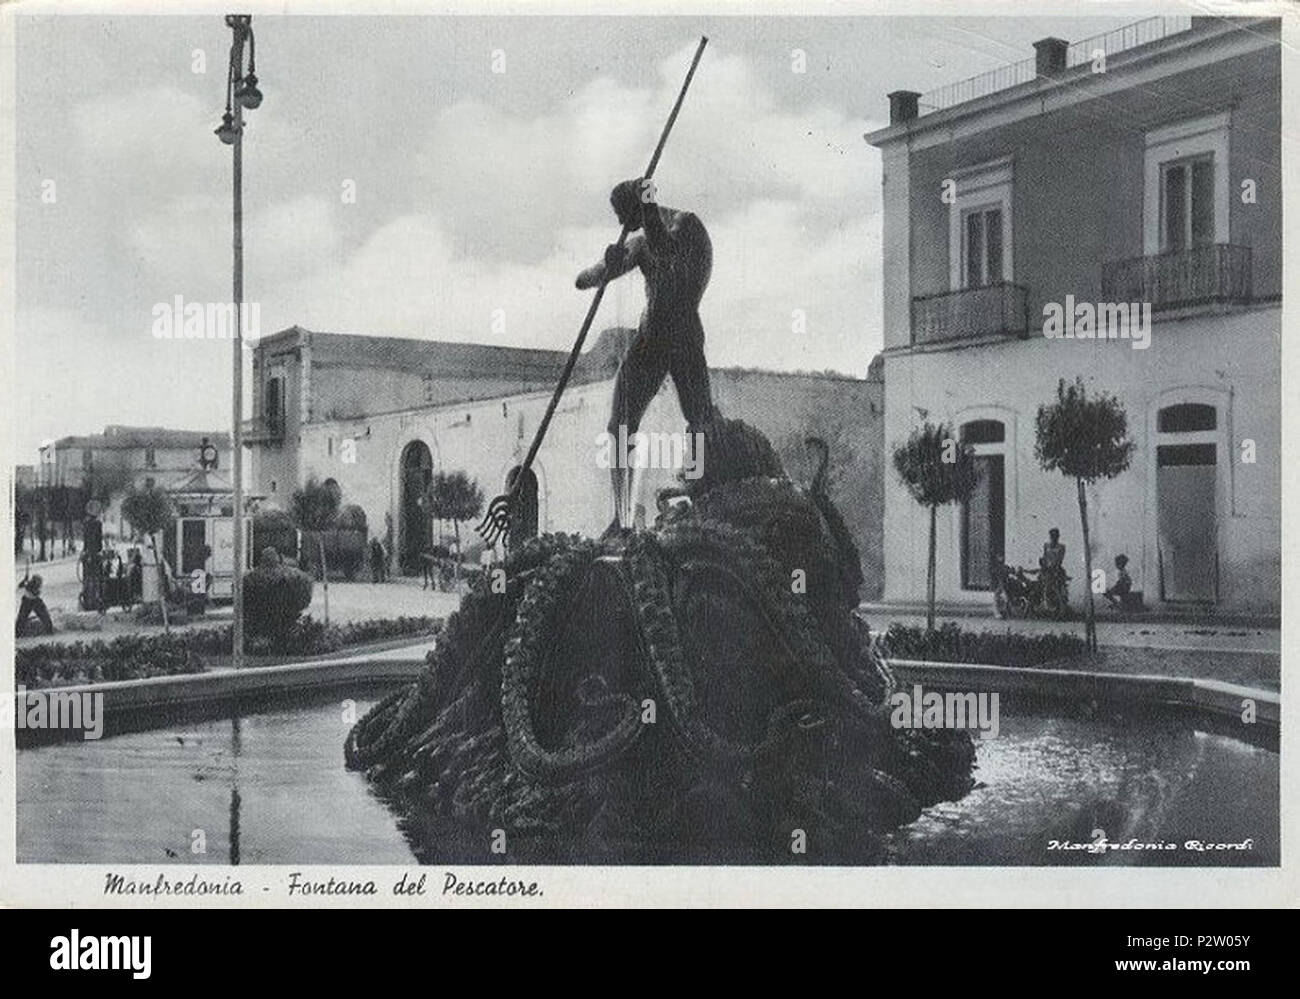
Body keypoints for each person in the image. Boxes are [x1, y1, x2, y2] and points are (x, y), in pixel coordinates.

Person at [577, 178, 715, 534]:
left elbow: (667, 250)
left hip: (683, 335)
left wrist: (649, 205)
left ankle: (703, 497)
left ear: (641, 208)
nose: (627, 227)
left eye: (629, 218)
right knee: (619, 425)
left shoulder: (687, 226)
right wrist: (607, 265)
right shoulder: (639, 242)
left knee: (700, 421)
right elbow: (586, 280)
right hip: (649, 340)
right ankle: (622, 515)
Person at [1039, 528, 1068, 609]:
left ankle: (1050, 602)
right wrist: (1043, 563)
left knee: (1052, 583)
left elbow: (1060, 559)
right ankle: (1043, 600)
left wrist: (1054, 566)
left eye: (1056, 536)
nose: (1054, 538)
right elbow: (1044, 556)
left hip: (1056, 569)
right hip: (1047, 568)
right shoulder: (1046, 545)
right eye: (1052, 536)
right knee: (1042, 582)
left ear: (1058, 537)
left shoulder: (1061, 547)